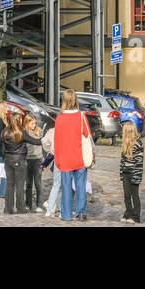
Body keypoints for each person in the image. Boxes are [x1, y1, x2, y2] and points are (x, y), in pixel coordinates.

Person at [52, 89, 94, 222]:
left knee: (66, 188)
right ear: (75, 100)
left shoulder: (60, 118)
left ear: (64, 101)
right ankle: (82, 213)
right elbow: (88, 135)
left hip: (65, 159)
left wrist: (57, 159)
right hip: (80, 157)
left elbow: (57, 140)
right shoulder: (81, 116)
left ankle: (66, 214)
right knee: (81, 186)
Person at [0, 111, 40, 214]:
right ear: (19, 120)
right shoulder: (21, 132)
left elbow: (3, 149)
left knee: (9, 185)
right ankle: (20, 208)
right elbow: (35, 141)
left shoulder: (5, 131)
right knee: (19, 185)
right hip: (20, 160)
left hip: (8, 160)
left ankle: (8, 209)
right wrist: (44, 140)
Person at [119, 120, 145, 223]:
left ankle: (136, 216)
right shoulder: (125, 144)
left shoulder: (138, 144)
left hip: (135, 174)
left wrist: (136, 177)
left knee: (134, 195)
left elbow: (139, 163)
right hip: (126, 173)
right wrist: (121, 173)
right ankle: (128, 213)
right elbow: (122, 160)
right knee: (126, 195)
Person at [24, 114, 45, 211]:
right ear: (27, 123)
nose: (34, 125)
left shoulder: (39, 131)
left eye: (35, 123)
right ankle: (28, 204)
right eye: (32, 123)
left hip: (38, 159)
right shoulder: (24, 132)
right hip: (28, 159)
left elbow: (44, 144)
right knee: (28, 183)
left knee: (38, 183)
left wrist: (43, 158)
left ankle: (39, 204)